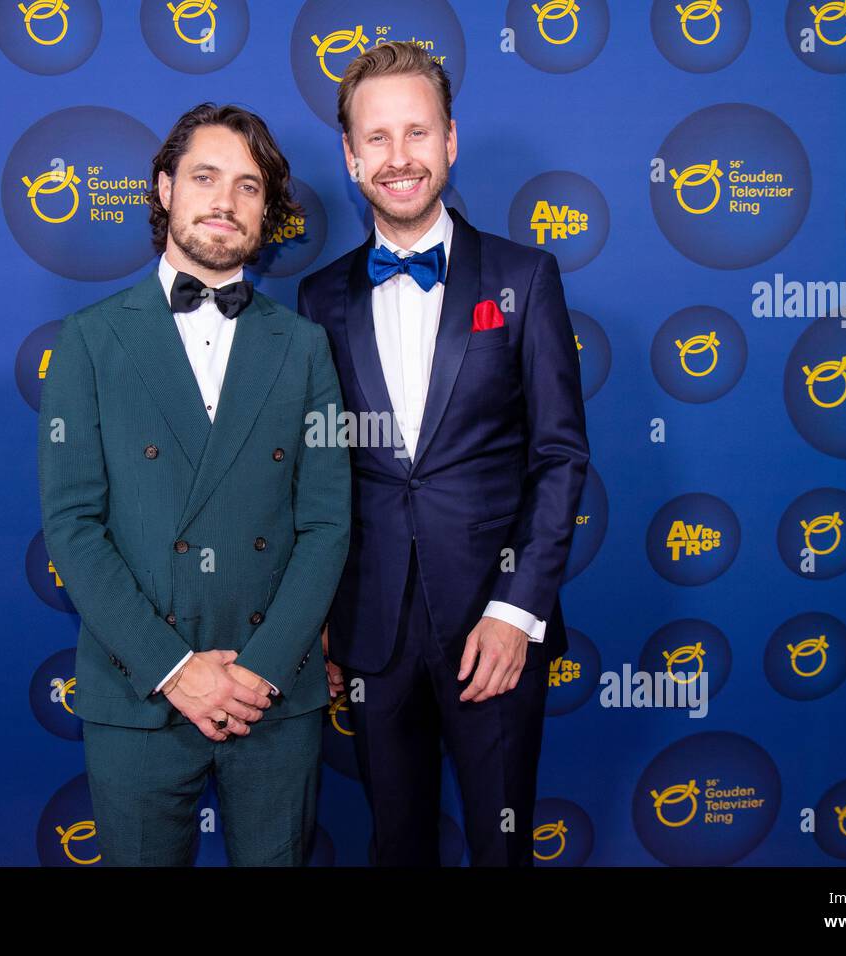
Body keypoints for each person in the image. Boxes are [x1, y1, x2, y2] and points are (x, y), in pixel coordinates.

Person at [298, 42, 590, 865]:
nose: (400, 158)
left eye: (417, 133)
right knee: (397, 847)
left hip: (492, 628)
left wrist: (515, 611)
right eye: (378, 138)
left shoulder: (525, 276)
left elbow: (561, 455)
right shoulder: (319, 297)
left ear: (450, 141)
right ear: (352, 158)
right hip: (369, 635)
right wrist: (320, 620)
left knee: (502, 850)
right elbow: (319, 472)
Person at [37, 103, 350, 866]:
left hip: (273, 696)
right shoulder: (88, 341)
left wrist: (260, 672)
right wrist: (176, 671)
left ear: (267, 212)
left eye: (248, 187)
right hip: (138, 691)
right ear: (163, 188)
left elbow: (328, 522)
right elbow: (73, 525)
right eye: (206, 177)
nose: (224, 201)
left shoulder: (306, 348)